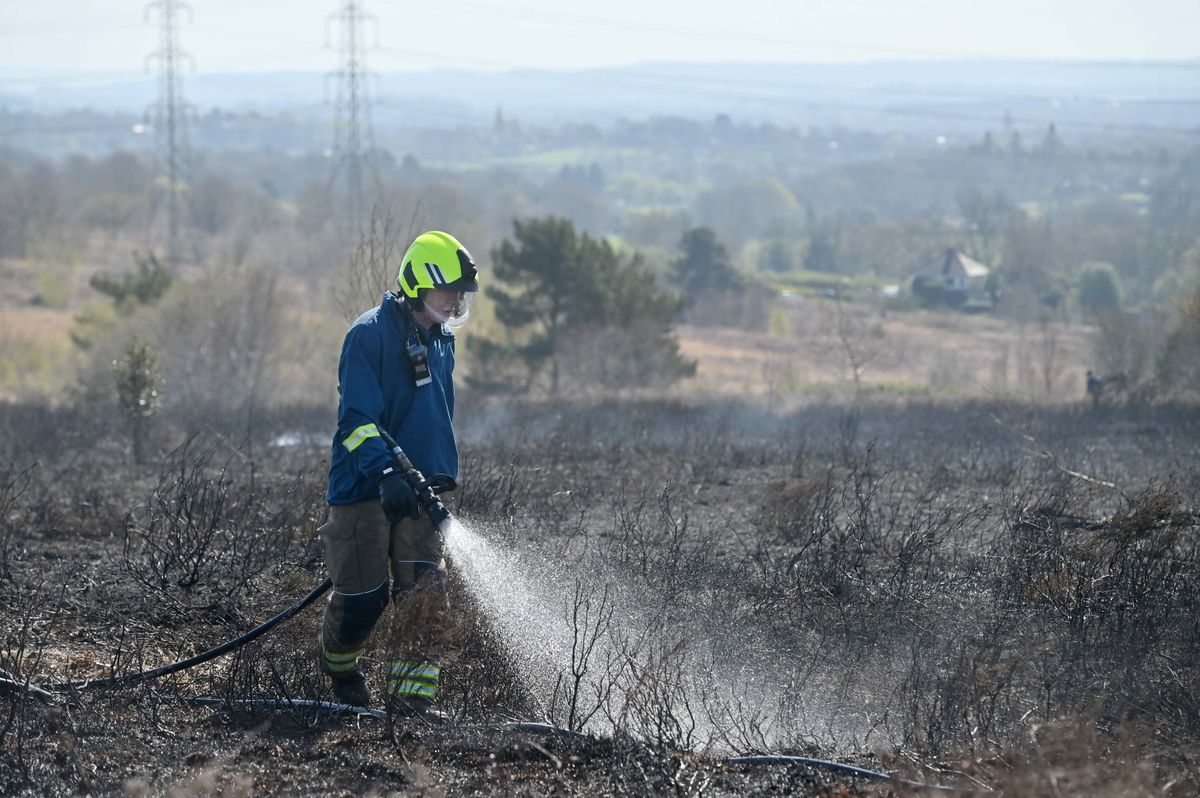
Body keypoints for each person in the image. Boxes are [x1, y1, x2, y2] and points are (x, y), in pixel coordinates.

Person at [317, 230, 479, 717]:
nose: (455, 300)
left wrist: (436, 475)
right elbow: (356, 421)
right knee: (363, 601)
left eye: (460, 293)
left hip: (421, 495)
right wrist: (386, 472)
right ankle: (341, 668)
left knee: (425, 600)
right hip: (365, 491)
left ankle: (411, 708)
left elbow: (434, 414)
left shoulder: (442, 341)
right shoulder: (368, 336)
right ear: (418, 283)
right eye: (448, 289)